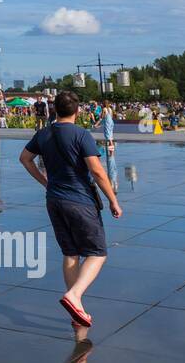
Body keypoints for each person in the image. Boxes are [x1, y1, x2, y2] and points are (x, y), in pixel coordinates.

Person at [19, 91, 121, 329]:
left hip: (54, 200)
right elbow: (96, 171)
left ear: (54, 109)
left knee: (70, 253)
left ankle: (77, 309)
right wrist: (113, 200)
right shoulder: (81, 134)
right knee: (97, 253)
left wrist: (44, 181)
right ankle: (74, 296)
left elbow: (24, 158)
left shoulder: (43, 134)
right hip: (80, 200)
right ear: (77, 110)